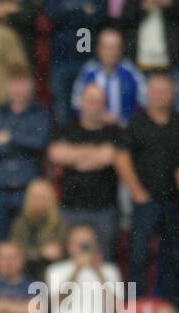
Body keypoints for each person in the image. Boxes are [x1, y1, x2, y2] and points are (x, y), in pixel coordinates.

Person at [116, 71, 179, 301]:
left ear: (172, 94)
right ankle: (135, 305)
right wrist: (136, 190)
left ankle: (168, 306)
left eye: (164, 91)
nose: (159, 95)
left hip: (173, 202)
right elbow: (121, 157)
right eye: (155, 91)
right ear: (147, 94)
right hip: (145, 201)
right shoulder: (135, 122)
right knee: (138, 256)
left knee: (171, 256)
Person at [49, 84, 123, 258]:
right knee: (68, 263)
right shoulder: (66, 128)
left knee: (103, 264)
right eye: (90, 100)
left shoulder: (114, 131)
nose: (94, 105)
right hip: (70, 208)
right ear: (81, 102)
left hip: (104, 210)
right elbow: (56, 154)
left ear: (104, 104)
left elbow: (108, 156)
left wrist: (74, 155)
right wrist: (94, 153)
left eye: (99, 101)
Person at [0, 67, 52, 242]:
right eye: (14, 83)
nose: (18, 88)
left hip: (27, 190)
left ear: (32, 86)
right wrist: (23, 142)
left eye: (23, 83)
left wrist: (10, 137)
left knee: (29, 242)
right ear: (7, 86)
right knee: (0, 243)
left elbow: (40, 143)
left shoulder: (40, 112)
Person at [44, 224, 124, 313]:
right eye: (78, 244)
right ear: (69, 247)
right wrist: (76, 270)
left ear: (95, 245)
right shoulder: (55, 270)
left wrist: (98, 273)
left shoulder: (110, 271)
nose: (82, 248)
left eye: (86, 244)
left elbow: (117, 309)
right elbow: (58, 303)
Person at [70, 26, 147, 125]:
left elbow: (146, 101)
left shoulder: (131, 71)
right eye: (106, 48)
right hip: (95, 128)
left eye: (114, 48)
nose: (110, 53)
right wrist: (98, 117)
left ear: (121, 50)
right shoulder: (89, 71)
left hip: (126, 129)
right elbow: (76, 103)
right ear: (98, 49)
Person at [8, 178, 69, 280]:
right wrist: (40, 253)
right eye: (36, 198)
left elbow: (61, 249)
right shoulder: (20, 222)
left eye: (44, 198)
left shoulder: (60, 222)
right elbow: (17, 249)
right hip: (26, 271)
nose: (40, 202)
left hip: (55, 271)